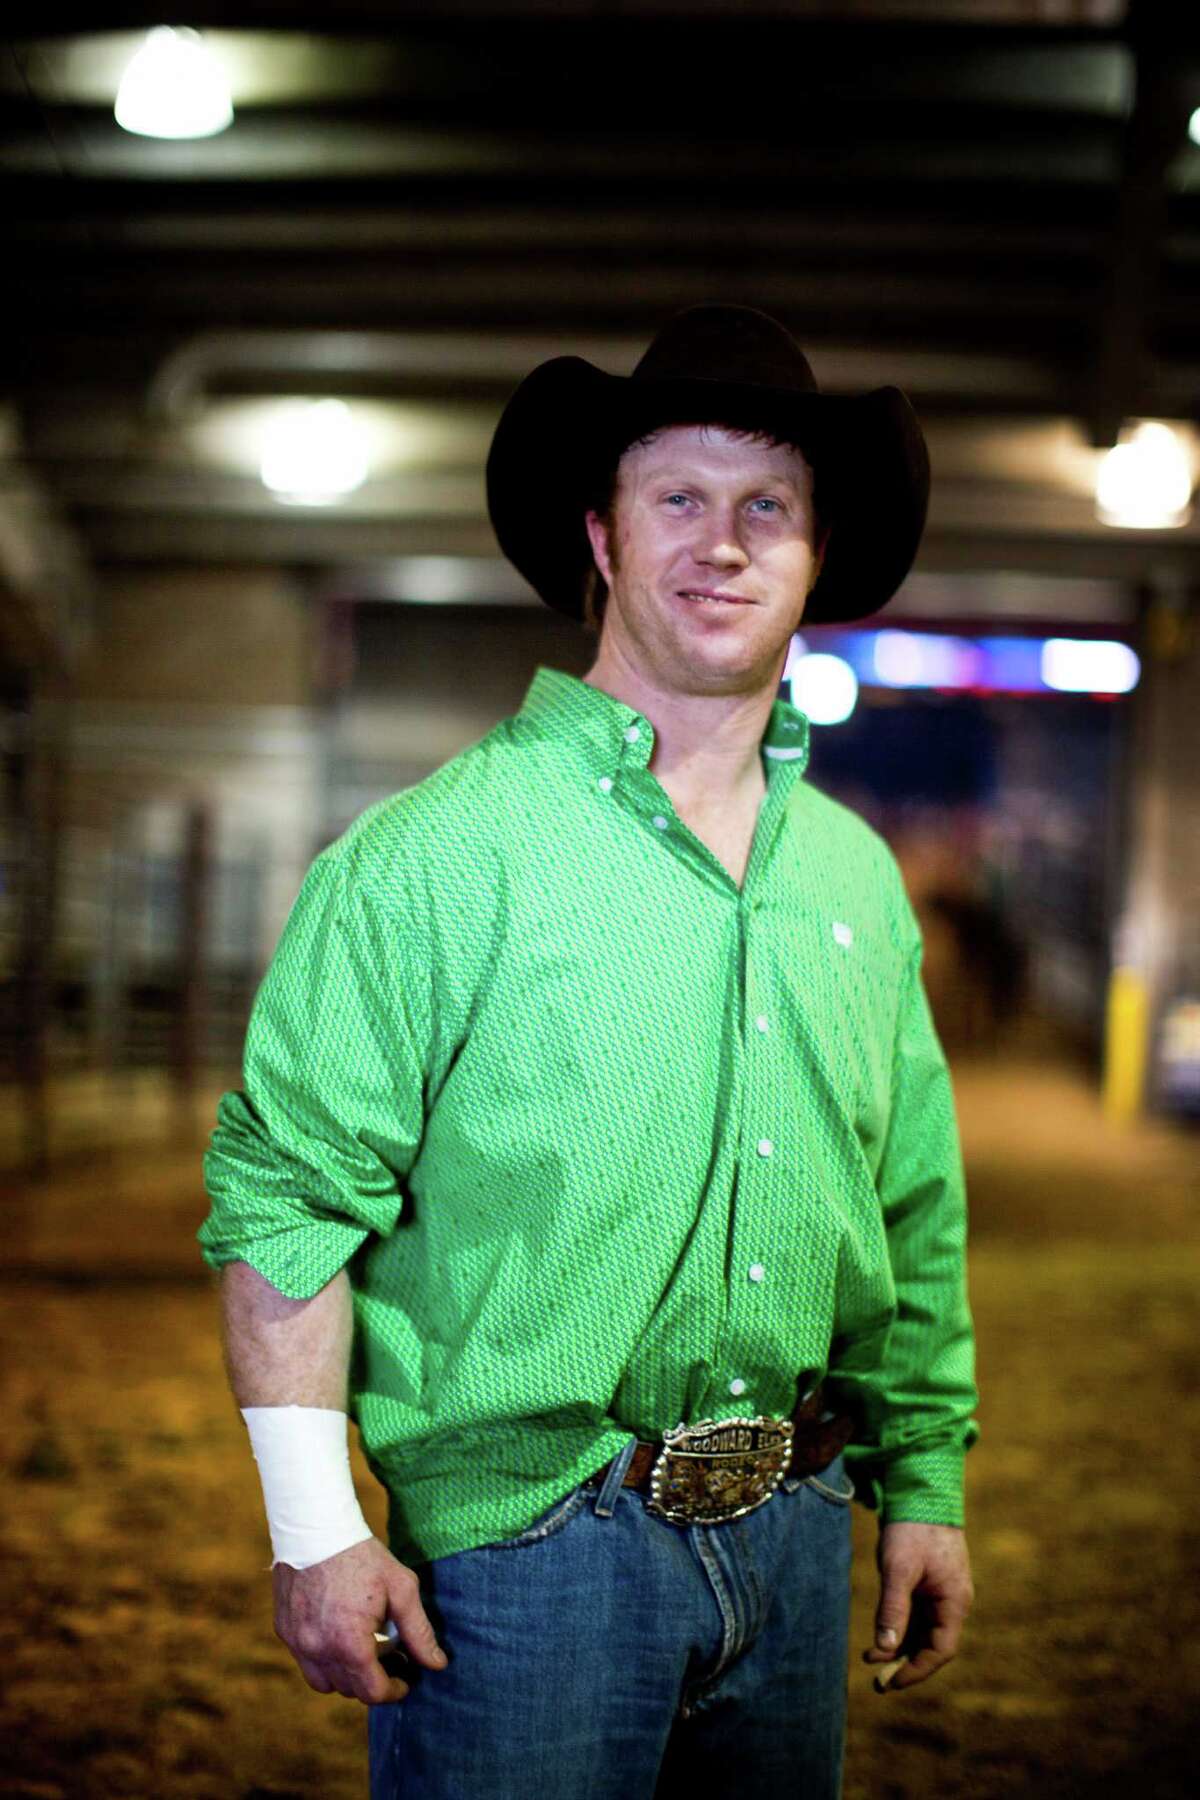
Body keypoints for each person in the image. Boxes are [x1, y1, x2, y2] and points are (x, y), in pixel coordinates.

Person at [198, 303, 978, 1800]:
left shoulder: (858, 882)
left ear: (818, 555)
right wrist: (313, 1529)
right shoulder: (432, 859)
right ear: (604, 539)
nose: (724, 541)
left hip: (806, 1535)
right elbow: (290, 1199)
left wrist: (924, 1486)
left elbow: (912, 1212)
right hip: (527, 1564)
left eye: (770, 507)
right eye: (678, 497)